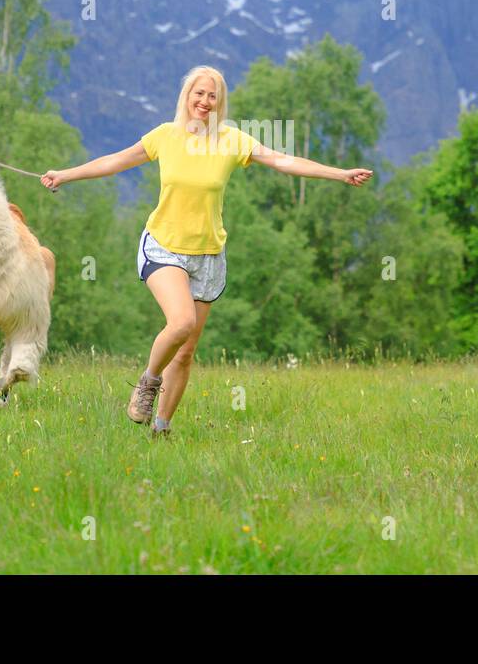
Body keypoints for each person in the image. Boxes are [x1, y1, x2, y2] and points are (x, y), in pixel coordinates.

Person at [40, 66, 373, 437]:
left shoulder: (232, 141)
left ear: (220, 102)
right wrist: (65, 174)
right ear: (186, 97)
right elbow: (115, 161)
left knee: (185, 351)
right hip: (164, 247)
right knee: (180, 323)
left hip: (209, 257)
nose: (205, 101)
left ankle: (161, 430)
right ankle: (147, 383)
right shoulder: (165, 136)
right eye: (198, 93)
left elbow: (284, 161)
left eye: (212, 95)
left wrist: (339, 173)